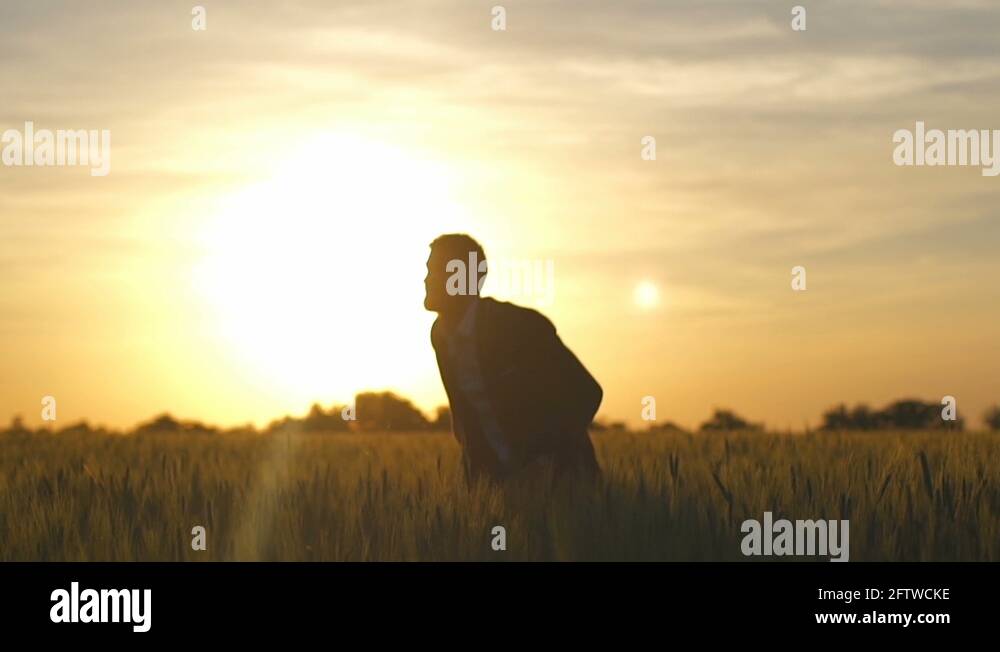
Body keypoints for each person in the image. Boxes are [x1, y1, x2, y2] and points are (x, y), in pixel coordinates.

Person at [423, 233, 603, 486]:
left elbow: (586, 393)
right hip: (500, 490)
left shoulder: (520, 326)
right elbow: (462, 414)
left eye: (434, 271)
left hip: (563, 487)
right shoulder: (440, 335)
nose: (426, 280)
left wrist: (543, 460)